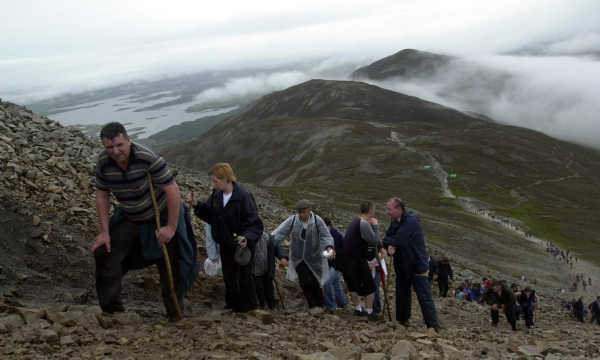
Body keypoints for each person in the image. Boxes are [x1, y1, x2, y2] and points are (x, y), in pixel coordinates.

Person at [92, 122, 198, 321]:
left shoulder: (146, 157)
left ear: (128, 140)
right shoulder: (104, 162)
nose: (115, 151)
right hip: (130, 214)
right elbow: (102, 196)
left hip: (162, 213)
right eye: (109, 147)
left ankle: (175, 312)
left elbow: (172, 190)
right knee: (104, 252)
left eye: (119, 145)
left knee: (172, 265)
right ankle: (112, 311)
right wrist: (104, 232)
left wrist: (171, 228)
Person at [189, 162, 264, 313]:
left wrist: (246, 238)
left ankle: (249, 309)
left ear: (226, 179)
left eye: (216, 181)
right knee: (229, 277)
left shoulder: (243, 196)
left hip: (242, 246)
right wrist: (196, 205)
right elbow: (210, 215)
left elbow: (255, 224)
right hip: (225, 243)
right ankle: (232, 306)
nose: (213, 184)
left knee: (244, 278)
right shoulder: (216, 196)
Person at [383, 197, 440, 331]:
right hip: (402, 264)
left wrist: (392, 243)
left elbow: (400, 239)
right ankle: (402, 320)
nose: (387, 212)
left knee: (424, 296)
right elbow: (387, 239)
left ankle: (433, 326)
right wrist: (390, 245)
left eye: (389, 209)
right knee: (402, 293)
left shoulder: (411, 221)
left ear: (399, 209)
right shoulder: (394, 221)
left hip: (416, 265)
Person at [271, 200, 333, 308]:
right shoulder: (293, 220)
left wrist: (329, 247)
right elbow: (280, 232)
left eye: (303, 212)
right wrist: (268, 241)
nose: (301, 215)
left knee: (315, 281)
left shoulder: (317, 221)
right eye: (299, 212)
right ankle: (312, 305)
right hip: (298, 258)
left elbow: (325, 236)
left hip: (314, 257)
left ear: (309, 210)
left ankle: (320, 305)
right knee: (304, 282)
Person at [342, 201, 380, 321]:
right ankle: (369, 312)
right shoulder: (364, 223)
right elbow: (375, 240)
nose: (374, 211)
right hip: (358, 259)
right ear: (370, 211)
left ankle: (358, 309)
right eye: (374, 209)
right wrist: (375, 226)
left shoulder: (355, 220)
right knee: (371, 287)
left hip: (347, 259)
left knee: (352, 286)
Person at [253, 233, 288, 310]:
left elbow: (277, 248)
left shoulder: (269, 238)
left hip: (267, 269)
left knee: (269, 289)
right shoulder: (249, 238)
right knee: (258, 288)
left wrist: (283, 257)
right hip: (254, 270)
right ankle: (261, 305)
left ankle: (271, 305)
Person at [322, 217, 348, 311]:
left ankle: (331, 305)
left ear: (329, 226)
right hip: (328, 264)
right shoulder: (322, 235)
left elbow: (343, 251)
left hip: (337, 264)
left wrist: (332, 252)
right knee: (336, 283)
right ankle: (342, 303)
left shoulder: (337, 235)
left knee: (327, 282)